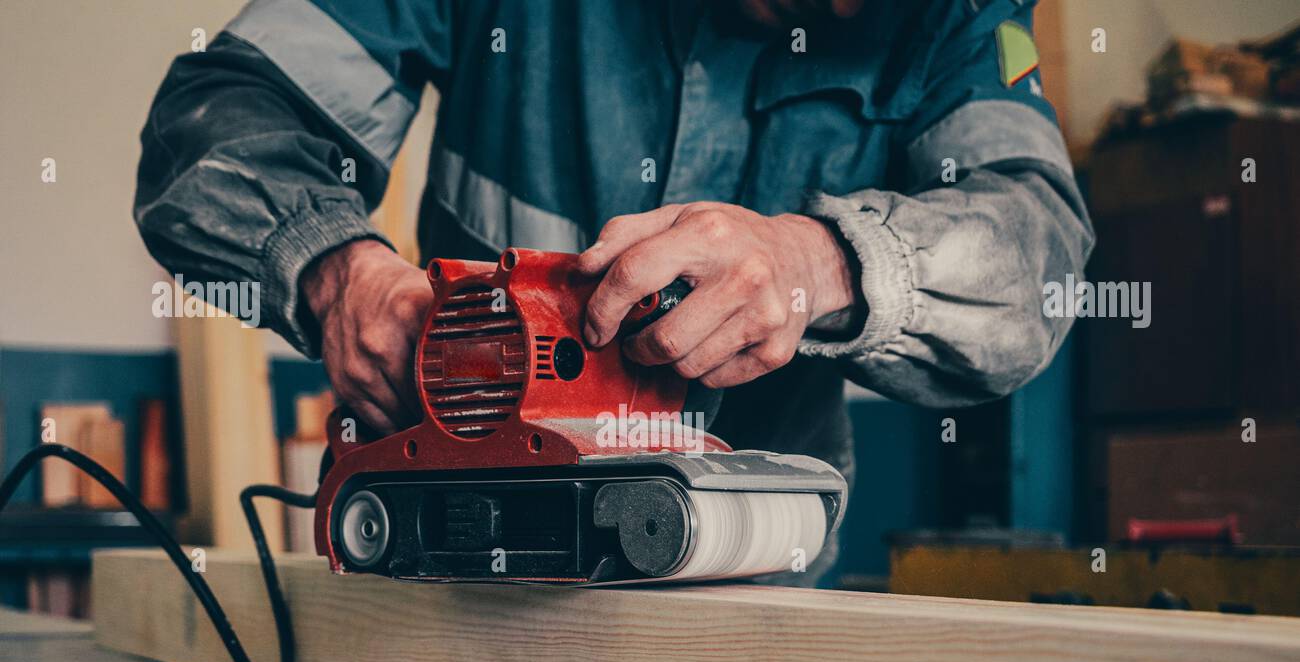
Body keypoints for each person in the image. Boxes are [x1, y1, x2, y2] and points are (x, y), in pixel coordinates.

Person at [135, 0, 1093, 584]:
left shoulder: (963, 19)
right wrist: (335, 270)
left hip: (745, 584)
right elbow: (218, 111)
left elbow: (1039, 254)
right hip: (456, 574)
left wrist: (822, 265)